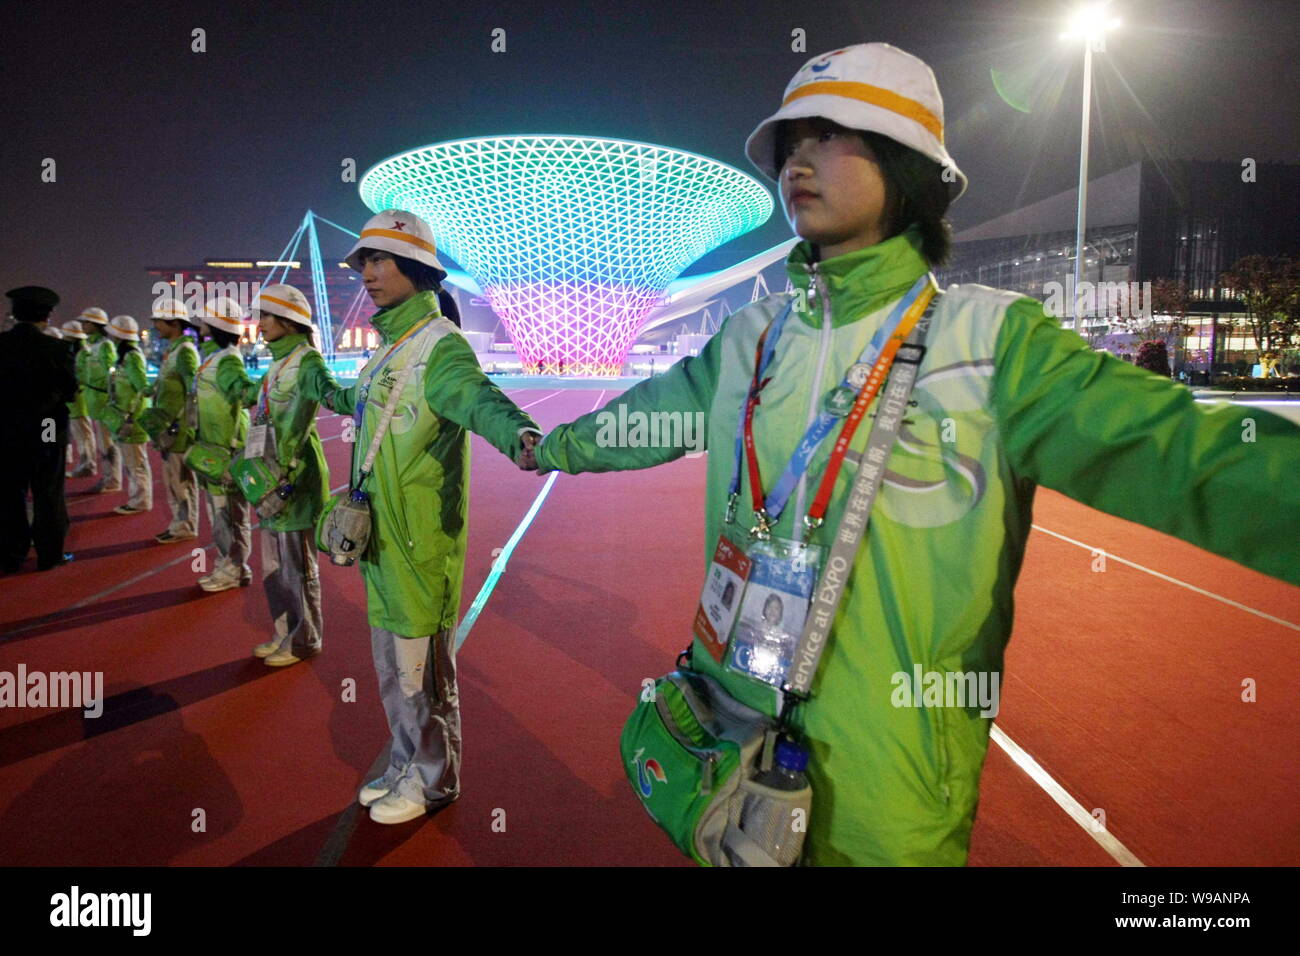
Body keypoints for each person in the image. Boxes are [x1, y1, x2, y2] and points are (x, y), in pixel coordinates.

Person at [534, 43, 1300, 865]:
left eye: (831, 136)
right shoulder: (752, 339)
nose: (799, 159)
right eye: (791, 141)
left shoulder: (991, 342)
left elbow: (1190, 455)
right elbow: (645, 415)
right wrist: (540, 443)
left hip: (888, 799)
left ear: (907, 169)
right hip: (729, 752)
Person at [300, 209, 542, 825]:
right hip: (379, 543)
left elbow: (479, 399)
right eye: (363, 263)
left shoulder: (440, 347)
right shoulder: (389, 350)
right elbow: (345, 400)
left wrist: (522, 436)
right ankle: (407, 761)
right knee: (391, 670)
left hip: (420, 547)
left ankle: (434, 780)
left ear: (416, 268)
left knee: (422, 678)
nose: (367, 274)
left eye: (379, 261)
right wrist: (308, 375)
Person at [226, 284, 330, 668]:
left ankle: (305, 639)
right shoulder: (274, 364)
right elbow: (253, 395)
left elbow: (331, 394)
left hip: (295, 480)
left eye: (267, 316)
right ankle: (284, 631)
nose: (260, 323)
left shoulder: (308, 362)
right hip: (266, 473)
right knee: (273, 566)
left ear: (289, 320)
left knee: (297, 566)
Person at [0, 286, 77, 572]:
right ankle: (50, 553)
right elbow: (70, 391)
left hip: (7, 430)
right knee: (48, 491)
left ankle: (11, 554)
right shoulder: (57, 348)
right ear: (48, 316)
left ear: (15, 313)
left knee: (9, 493)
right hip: (46, 426)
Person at [193, 297, 253, 592]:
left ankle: (233, 568)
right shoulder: (214, 357)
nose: (199, 324)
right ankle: (231, 566)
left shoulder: (228, 360)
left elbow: (242, 390)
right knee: (221, 515)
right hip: (211, 449)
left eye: (204, 319)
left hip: (225, 451)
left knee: (228, 515)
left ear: (213, 325)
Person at [142, 297, 201, 543]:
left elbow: (193, 392)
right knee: (172, 480)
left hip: (178, 429)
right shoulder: (174, 351)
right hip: (167, 427)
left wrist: (184, 426)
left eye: (159, 320)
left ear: (174, 323)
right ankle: (179, 523)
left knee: (181, 481)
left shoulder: (185, 353)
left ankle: (187, 525)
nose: (155, 325)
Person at [105, 315, 154, 516]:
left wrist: (132, 417)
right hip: (124, 415)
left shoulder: (132, 357)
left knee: (136, 463)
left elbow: (142, 388)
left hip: (131, 419)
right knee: (132, 461)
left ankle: (141, 500)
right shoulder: (124, 357)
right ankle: (137, 498)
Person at [78, 307, 122, 493]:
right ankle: (107, 477)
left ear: (96, 325)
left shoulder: (105, 346)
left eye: (86, 322)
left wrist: (112, 399)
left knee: (108, 443)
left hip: (103, 400)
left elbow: (111, 374)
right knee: (102, 443)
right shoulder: (90, 346)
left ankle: (112, 480)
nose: (83, 325)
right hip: (93, 400)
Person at [59, 321, 98, 478]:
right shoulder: (82, 350)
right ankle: (86, 463)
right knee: (82, 433)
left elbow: (80, 376)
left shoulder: (80, 353)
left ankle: (87, 465)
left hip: (78, 397)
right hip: (78, 397)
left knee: (83, 433)